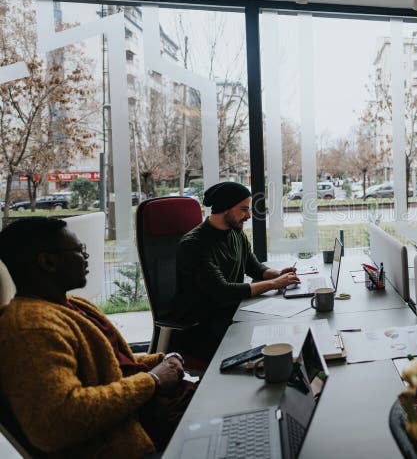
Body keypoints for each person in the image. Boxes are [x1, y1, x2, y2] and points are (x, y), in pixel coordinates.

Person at [0, 217, 192, 457]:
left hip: (151, 418)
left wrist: (164, 361)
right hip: (131, 443)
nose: (86, 257)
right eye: (79, 250)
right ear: (48, 261)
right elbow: (57, 423)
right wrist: (153, 380)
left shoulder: (72, 305)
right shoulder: (30, 328)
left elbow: (111, 364)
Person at [175, 181, 299, 359]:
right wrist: (274, 284)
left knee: (283, 328)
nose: (249, 215)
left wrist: (280, 275)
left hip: (231, 312)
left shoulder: (236, 233)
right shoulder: (193, 245)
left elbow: (255, 268)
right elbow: (222, 291)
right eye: (243, 209)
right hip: (203, 324)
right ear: (225, 208)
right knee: (270, 340)